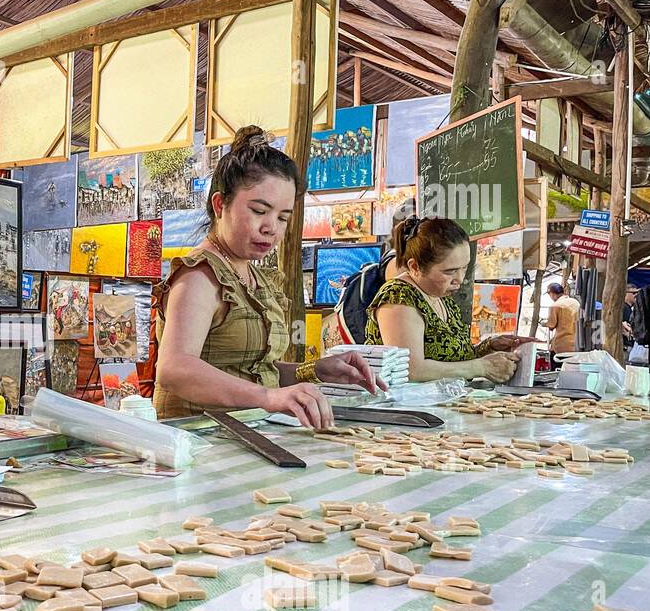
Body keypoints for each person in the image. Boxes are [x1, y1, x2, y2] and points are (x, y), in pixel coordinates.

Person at [153, 126, 384, 430]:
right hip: (196, 440)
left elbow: (256, 371)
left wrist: (314, 371)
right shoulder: (199, 276)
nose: (271, 227)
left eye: (283, 217)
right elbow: (174, 369)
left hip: (244, 434)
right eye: (259, 211)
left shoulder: (253, 276)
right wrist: (267, 397)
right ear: (220, 205)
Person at [365, 216, 532, 383]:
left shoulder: (440, 296)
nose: (459, 279)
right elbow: (411, 369)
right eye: (450, 271)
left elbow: (448, 358)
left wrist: (488, 348)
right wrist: (481, 367)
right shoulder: (398, 297)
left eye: (464, 268)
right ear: (414, 267)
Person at [544, 281, 581, 355]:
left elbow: (551, 325)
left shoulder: (555, 306)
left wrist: (544, 323)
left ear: (552, 294)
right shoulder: (575, 302)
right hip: (577, 344)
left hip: (562, 347)